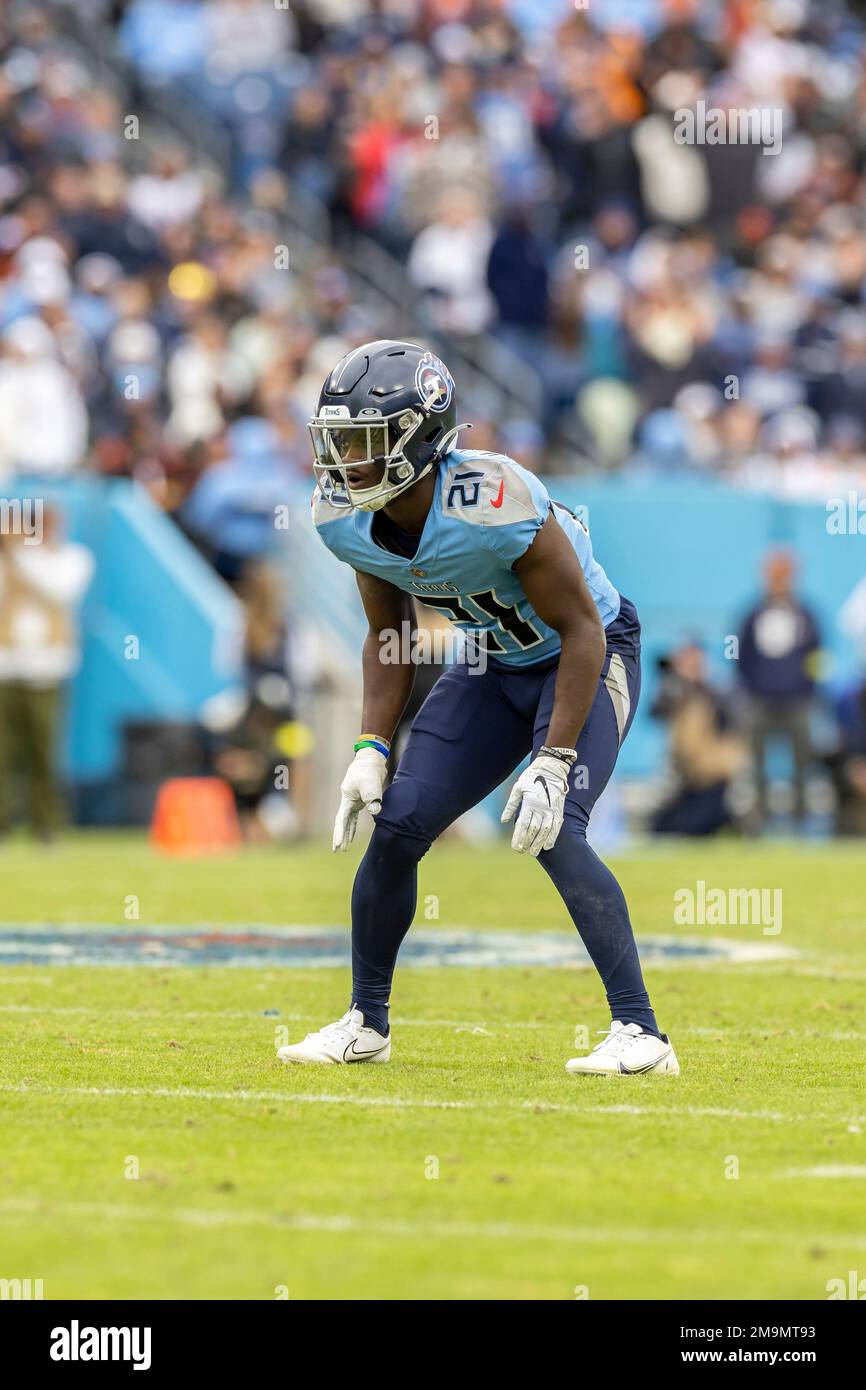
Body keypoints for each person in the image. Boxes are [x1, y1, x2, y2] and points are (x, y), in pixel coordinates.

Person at [277, 340, 678, 1077]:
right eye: (337, 440)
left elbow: (583, 629)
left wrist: (553, 761)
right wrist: (371, 746)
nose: (344, 459)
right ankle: (367, 1021)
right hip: (492, 663)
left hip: (583, 657)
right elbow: (390, 633)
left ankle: (641, 1032)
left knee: (555, 831)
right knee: (397, 825)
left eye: (364, 440)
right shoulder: (344, 516)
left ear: (422, 438)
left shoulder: (493, 499)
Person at [0, 508, 94, 839]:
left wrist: (19, 551)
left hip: (48, 665)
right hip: (6, 664)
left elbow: (56, 590)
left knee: (44, 750)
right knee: (4, 751)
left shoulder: (71, 558)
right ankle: (4, 824)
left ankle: (46, 825)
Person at [737, 550, 821, 829]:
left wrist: (808, 690)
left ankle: (801, 821)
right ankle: (758, 823)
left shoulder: (806, 616)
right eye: (774, 575)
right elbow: (742, 657)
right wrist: (751, 689)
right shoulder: (753, 616)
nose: (779, 581)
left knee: (802, 762)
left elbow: (815, 657)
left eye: (784, 575)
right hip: (760, 701)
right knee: (756, 765)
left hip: (797, 702)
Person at [650, 644, 746, 836]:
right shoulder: (677, 690)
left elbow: (733, 722)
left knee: (696, 823)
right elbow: (656, 710)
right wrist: (679, 681)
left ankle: (728, 821)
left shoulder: (716, 691)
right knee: (663, 826)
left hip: (711, 775)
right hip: (683, 774)